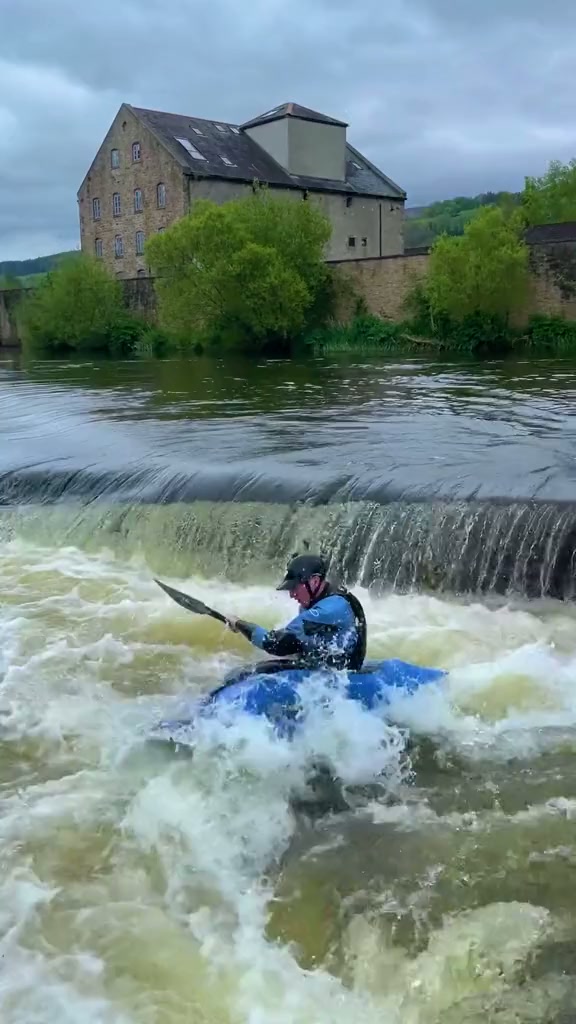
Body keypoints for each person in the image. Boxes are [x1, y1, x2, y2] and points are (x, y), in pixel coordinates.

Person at [226, 553, 367, 671]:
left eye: (295, 588)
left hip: (342, 676)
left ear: (315, 581)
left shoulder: (330, 609)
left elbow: (274, 643)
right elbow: (297, 640)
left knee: (260, 669)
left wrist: (239, 623)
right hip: (326, 664)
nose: (292, 595)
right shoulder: (317, 599)